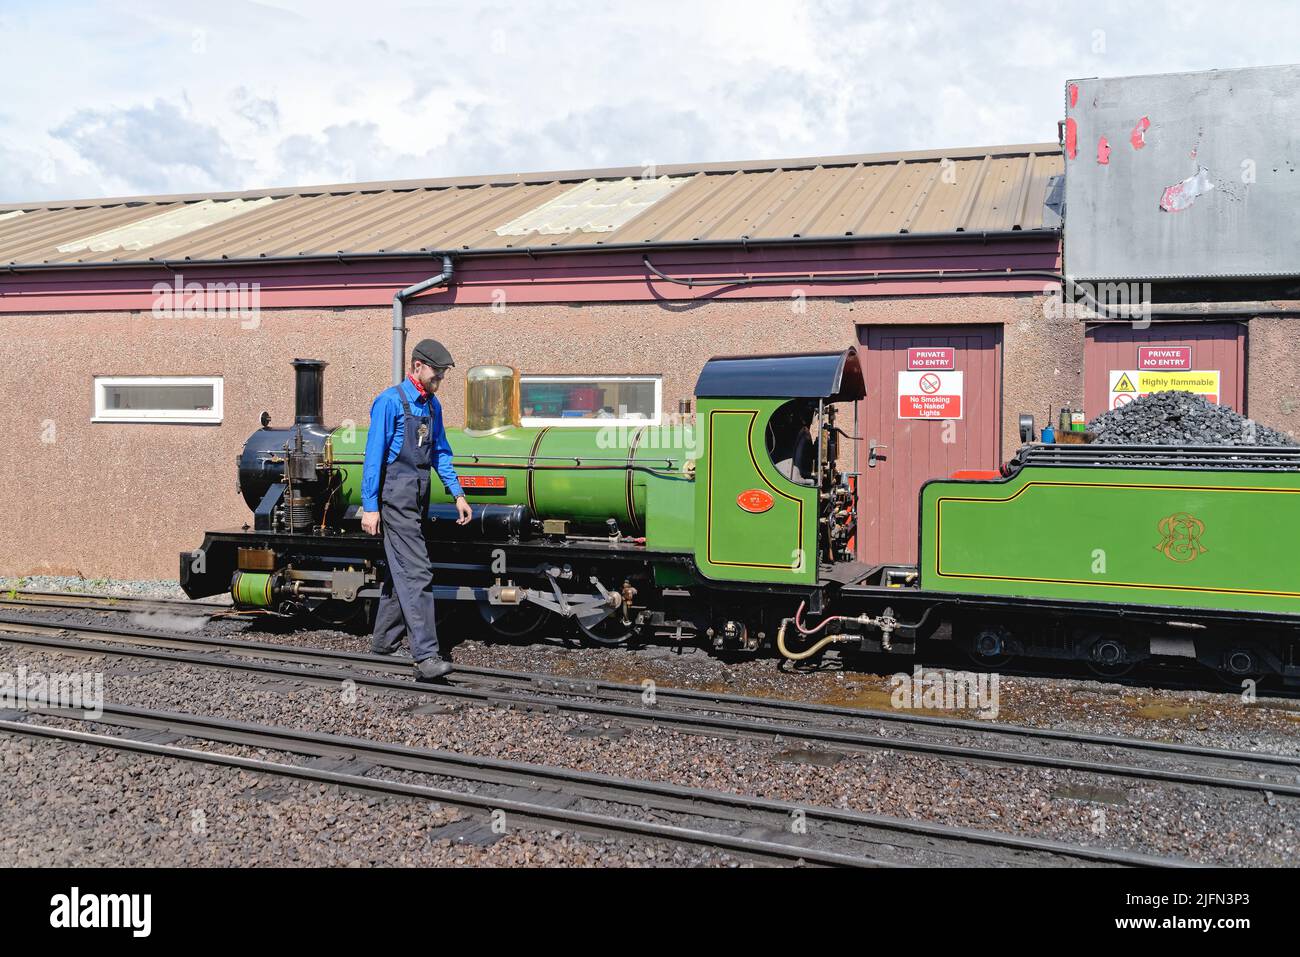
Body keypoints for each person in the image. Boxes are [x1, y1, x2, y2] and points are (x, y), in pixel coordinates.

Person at [360, 338, 473, 680]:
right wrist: (370, 506)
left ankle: (383, 643)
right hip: (395, 497)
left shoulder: (431, 405)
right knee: (418, 572)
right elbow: (373, 456)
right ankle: (425, 656)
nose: (440, 378)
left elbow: (440, 451)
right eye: (437, 372)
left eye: (442, 374)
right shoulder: (390, 401)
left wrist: (457, 494)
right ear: (417, 367)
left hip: (418, 495)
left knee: (401, 571)